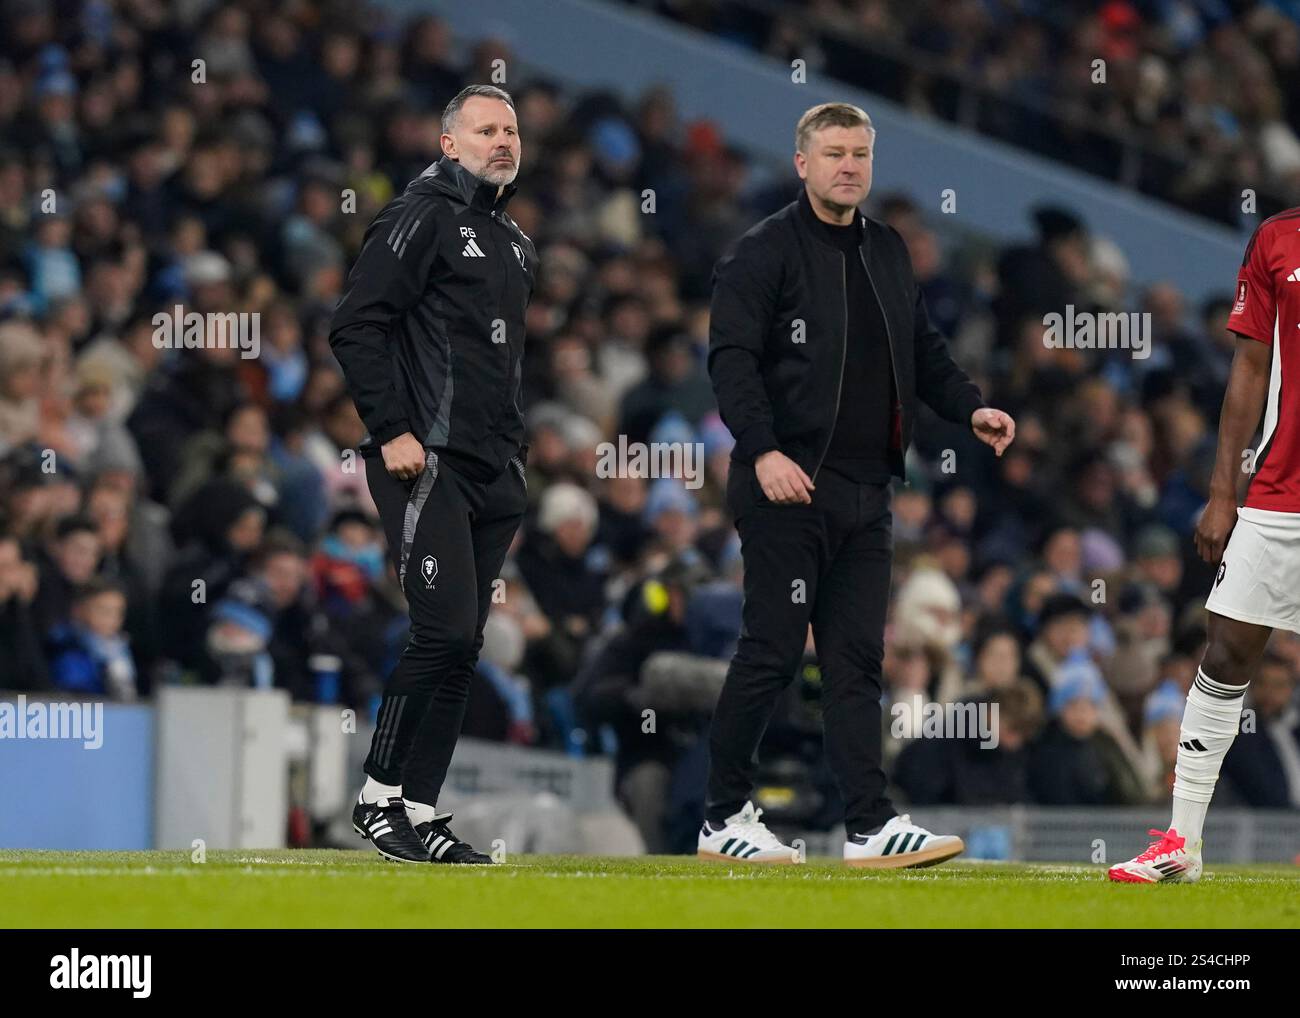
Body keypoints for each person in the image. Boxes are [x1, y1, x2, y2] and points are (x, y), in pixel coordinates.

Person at [699, 101, 1015, 866]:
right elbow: (731, 361)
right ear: (802, 162)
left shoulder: (889, 249)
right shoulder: (762, 251)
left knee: (856, 664)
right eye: (834, 153)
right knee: (772, 651)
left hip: (868, 489)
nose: (849, 166)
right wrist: (764, 451)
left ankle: (870, 826)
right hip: (786, 484)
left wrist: (970, 408)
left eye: (861, 154)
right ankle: (722, 816)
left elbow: (923, 349)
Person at [328, 84, 536, 864]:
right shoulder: (420, 215)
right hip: (429, 460)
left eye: (511, 130)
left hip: (494, 471)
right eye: (485, 129)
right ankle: (378, 797)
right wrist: (392, 431)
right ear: (448, 142)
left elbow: (500, 365)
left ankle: (419, 807)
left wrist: (517, 451)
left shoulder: (515, 242)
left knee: (464, 646)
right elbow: (354, 325)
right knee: (440, 629)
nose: (502, 141)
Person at [1110, 207, 1300, 882]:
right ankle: (1182, 844)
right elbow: (1248, 368)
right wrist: (1223, 492)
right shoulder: (1277, 239)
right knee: (1226, 650)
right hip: (1280, 493)